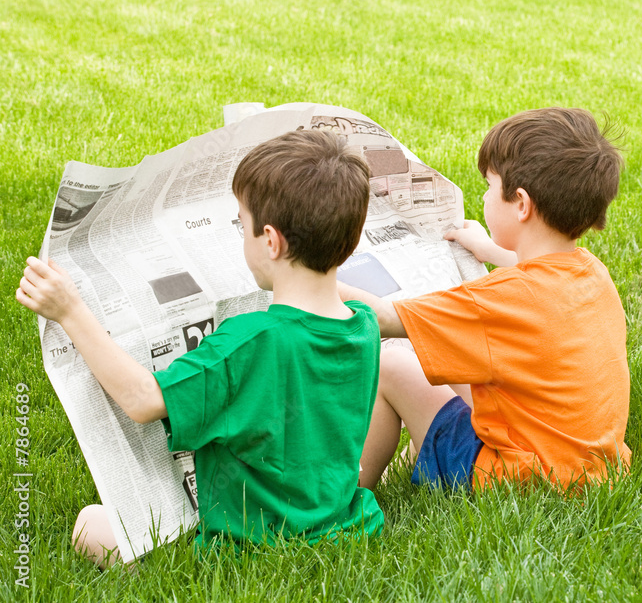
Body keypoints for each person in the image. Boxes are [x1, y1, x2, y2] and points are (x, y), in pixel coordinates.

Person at [16, 129, 384, 567]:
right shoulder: (363, 328)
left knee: (89, 524)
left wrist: (70, 310)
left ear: (271, 241)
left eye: (242, 226)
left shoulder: (250, 340)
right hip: (343, 529)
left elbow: (142, 400)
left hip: (252, 547)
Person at [341, 107, 631, 491]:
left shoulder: (501, 299)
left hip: (517, 479)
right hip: (591, 469)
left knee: (394, 362)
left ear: (522, 204)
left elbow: (379, 317)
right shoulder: (591, 272)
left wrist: (304, 273)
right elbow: (530, 266)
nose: (484, 194)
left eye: (489, 186)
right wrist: (488, 248)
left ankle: (348, 495)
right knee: (455, 362)